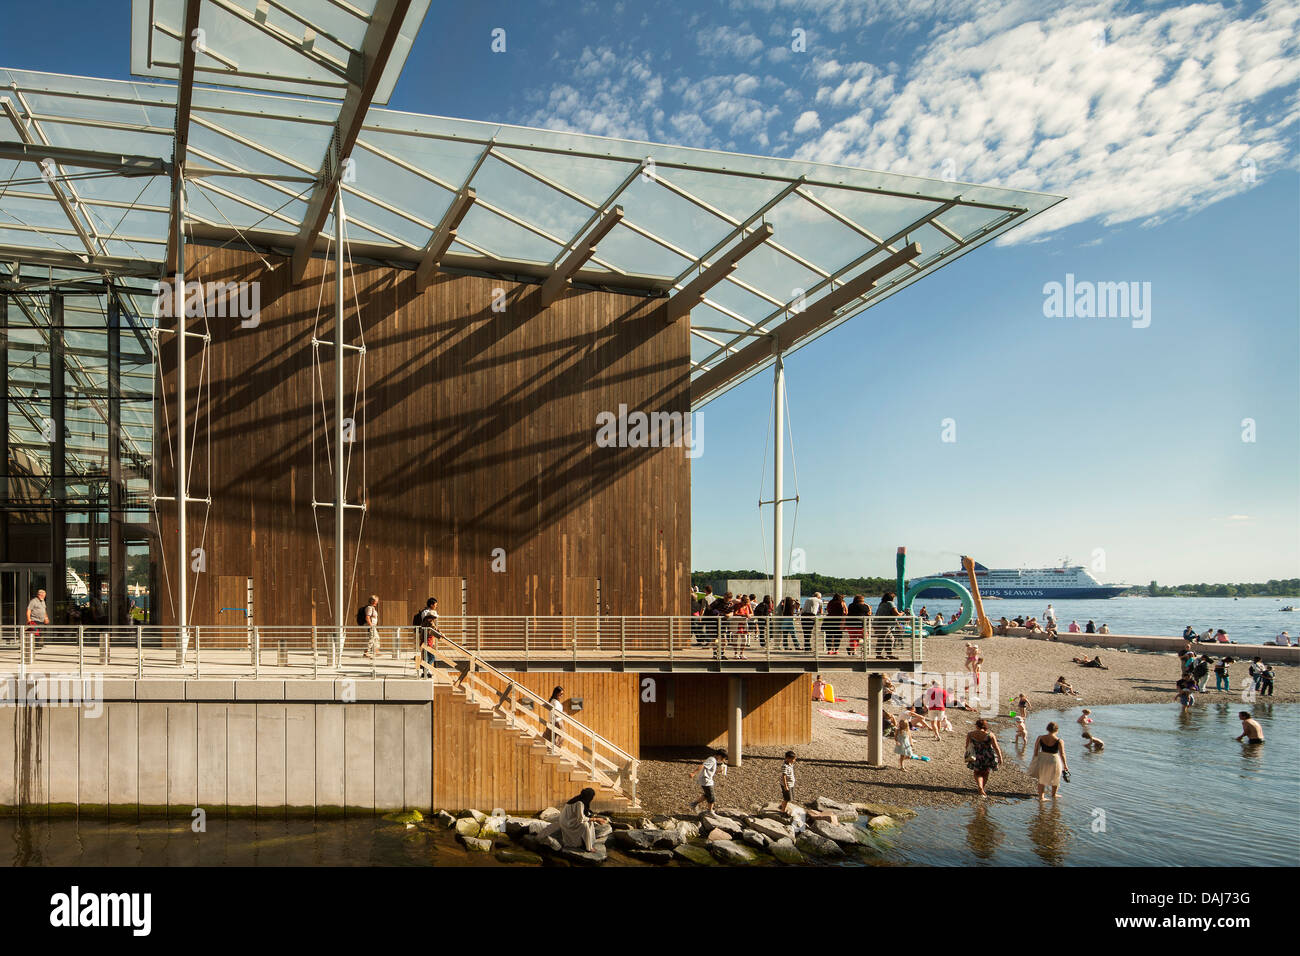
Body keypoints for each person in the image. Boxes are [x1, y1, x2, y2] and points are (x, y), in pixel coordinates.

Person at [542, 788, 609, 851]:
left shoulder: (579, 799)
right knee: (585, 824)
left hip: (569, 820)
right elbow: (581, 819)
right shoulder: (579, 803)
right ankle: (588, 848)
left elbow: (583, 814)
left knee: (590, 822)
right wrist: (596, 819)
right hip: (567, 822)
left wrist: (594, 818)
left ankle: (589, 843)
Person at [1027, 722, 1068, 801]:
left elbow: (1036, 749)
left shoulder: (1040, 737)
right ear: (1057, 730)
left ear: (1047, 729)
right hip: (1054, 759)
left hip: (1043, 757)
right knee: (1056, 777)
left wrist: (1035, 759)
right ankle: (1054, 794)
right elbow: (1062, 754)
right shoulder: (1059, 741)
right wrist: (1065, 765)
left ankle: (1041, 797)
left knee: (1042, 777)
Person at [965, 718, 1004, 796]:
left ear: (977, 726)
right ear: (986, 726)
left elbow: (967, 746)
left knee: (977, 772)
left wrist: (969, 753)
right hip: (988, 755)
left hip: (976, 755)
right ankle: (982, 787)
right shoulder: (990, 735)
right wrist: (1000, 757)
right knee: (986, 773)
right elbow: (996, 747)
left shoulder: (970, 734)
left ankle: (980, 787)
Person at [544, 685, 566, 754]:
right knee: (559, 737)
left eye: (562, 694)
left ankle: (551, 751)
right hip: (557, 721)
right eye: (561, 694)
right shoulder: (555, 702)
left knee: (550, 737)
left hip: (554, 721)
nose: (562, 695)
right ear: (557, 693)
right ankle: (555, 751)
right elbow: (555, 712)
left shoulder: (553, 701)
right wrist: (563, 713)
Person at [359, 594, 380, 659]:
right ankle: (366, 652)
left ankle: (376, 651)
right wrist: (371, 625)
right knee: (371, 638)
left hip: (373, 626)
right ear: (373, 601)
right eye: (376, 601)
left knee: (376, 638)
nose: (377, 602)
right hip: (371, 627)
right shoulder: (369, 608)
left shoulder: (372, 608)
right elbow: (367, 617)